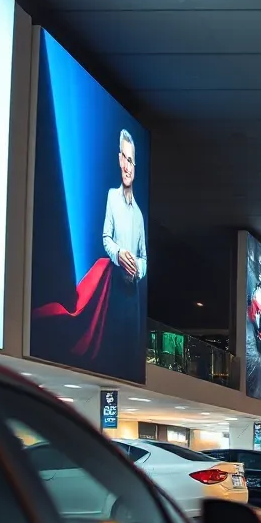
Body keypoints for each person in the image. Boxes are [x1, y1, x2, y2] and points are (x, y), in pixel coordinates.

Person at [102, 129, 147, 361]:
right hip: (115, 289)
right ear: (120, 160)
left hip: (133, 295)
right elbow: (105, 237)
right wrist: (119, 254)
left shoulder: (139, 215)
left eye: (132, 161)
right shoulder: (111, 197)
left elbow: (145, 259)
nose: (128, 167)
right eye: (125, 159)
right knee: (112, 351)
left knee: (130, 354)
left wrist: (137, 266)